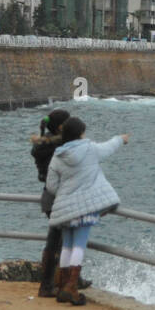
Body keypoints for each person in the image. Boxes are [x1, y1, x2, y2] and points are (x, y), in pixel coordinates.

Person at [45, 117, 130, 305]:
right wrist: (121, 138)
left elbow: (51, 186)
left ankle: (62, 286)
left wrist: (67, 194)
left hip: (65, 210)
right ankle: (71, 287)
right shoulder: (90, 149)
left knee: (67, 244)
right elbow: (108, 147)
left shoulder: (58, 155)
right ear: (80, 133)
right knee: (79, 245)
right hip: (85, 209)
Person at [29, 109, 89, 297]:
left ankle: (57, 283)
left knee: (57, 241)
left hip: (50, 197)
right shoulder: (59, 148)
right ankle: (57, 284)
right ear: (62, 126)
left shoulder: (44, 143)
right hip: (60, 198)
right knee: (63, 242)